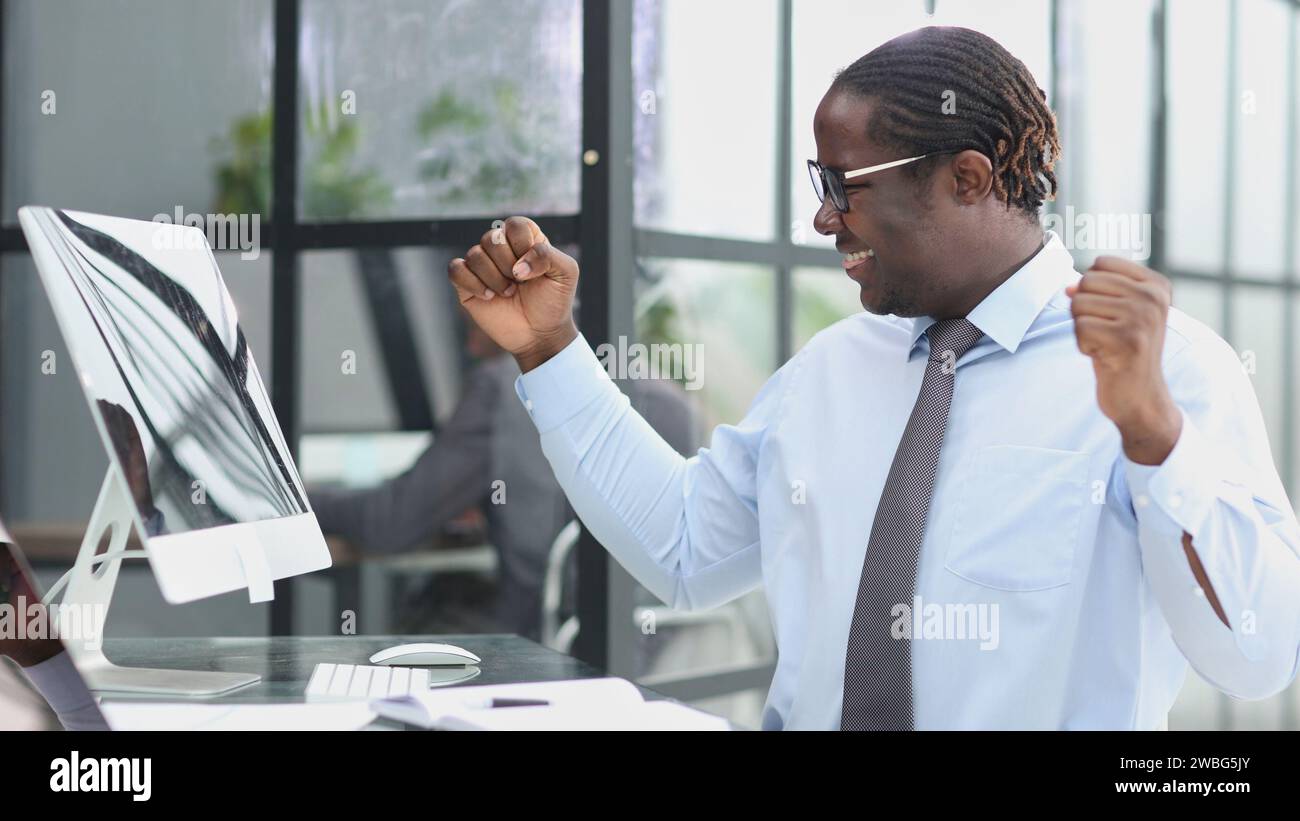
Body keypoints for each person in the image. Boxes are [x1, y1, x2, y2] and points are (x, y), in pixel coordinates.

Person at [446, 26, 1300, 730]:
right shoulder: (831, 369)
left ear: (968, 177)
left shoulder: (1166, 372)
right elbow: (682, 547)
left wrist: (1156, 438)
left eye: (841, 183)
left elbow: (1258, 659)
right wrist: (549, 348)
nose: (823, 216)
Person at [310, 322, 697, 640]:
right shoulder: (670, 400)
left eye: (471, 311)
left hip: (540, 637)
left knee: (417, 624)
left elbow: (390, 522)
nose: (470, 346)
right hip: (643, 647)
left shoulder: (502, 388)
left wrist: (293, 499)